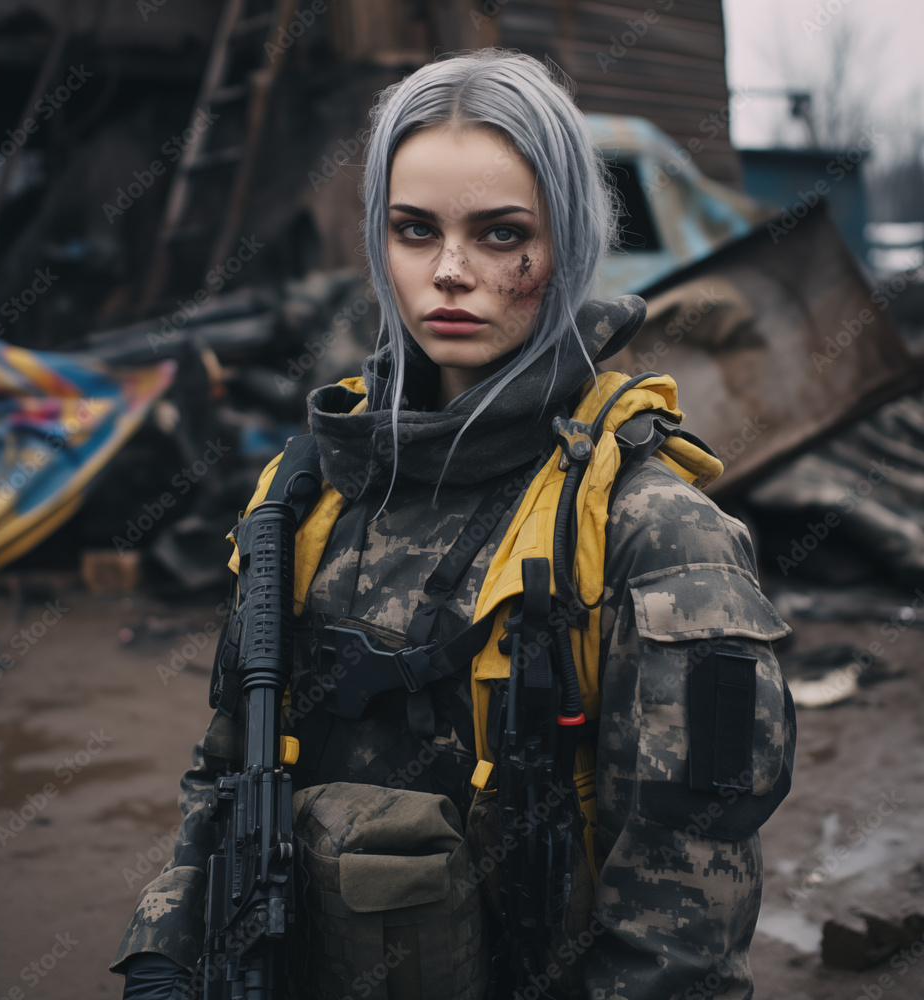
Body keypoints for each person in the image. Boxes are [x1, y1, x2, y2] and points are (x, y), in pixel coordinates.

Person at [112, 47, 795, 1000]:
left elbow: (676, 947)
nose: (451, 273)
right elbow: (225, 775)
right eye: (414, 230)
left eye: (503, 233)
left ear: (570, 245)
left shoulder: (657, 537)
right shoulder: (303, 493)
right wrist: (165, 956)